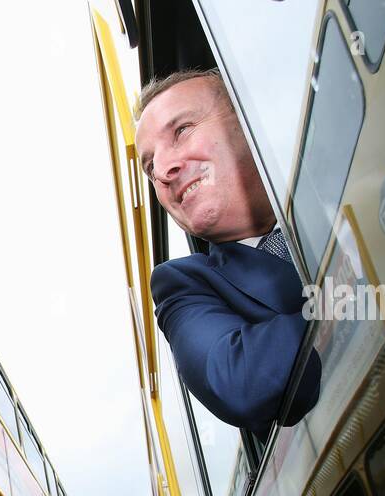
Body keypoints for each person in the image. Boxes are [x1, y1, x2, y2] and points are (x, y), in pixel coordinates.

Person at [137, 68, 320, 437]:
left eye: (182, 130)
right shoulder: (182, 286)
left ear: (247, 119)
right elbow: (241, 383)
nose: (164, 170)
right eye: (149, 165)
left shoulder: (337, 183)